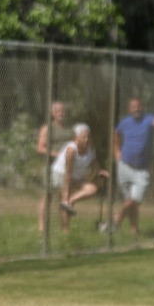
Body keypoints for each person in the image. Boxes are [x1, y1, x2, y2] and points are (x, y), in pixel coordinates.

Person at [111, 96, 154, 238]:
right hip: (124, 166)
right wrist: (116, 151)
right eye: (133, 107)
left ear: (142, 107)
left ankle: (117, 217)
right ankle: (134, 231)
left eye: (138, 106)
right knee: (131, 201)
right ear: (129, 109)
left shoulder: (148, 119)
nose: (136, 109)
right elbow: (116, 134)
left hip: (141, 170)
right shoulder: (125, 122)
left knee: (135, 200)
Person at [54, 123, 109, 221]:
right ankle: (65, 228)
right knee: (64, 198)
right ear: (77, 138)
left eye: (88, 137)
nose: (86, 140)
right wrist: (66, 192)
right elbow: (68, 172)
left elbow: (94, 160)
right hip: (62, 175)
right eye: (84, 137)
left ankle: (70, 201)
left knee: (91, 189)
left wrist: (99, 170)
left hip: (76, 177)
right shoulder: (71, 150)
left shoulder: (90, 147)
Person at [36, 100, 73, 234]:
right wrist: (57, 154)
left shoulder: (70, 130)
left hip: (66, 169)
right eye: (58, 111)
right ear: (53, 113)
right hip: (51, 167)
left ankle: (65, 228)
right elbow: (40, 148)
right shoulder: (47, 129)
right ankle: (41, 225)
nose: (61, 113)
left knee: (65, 197)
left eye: (63, 111)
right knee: (48, 196)